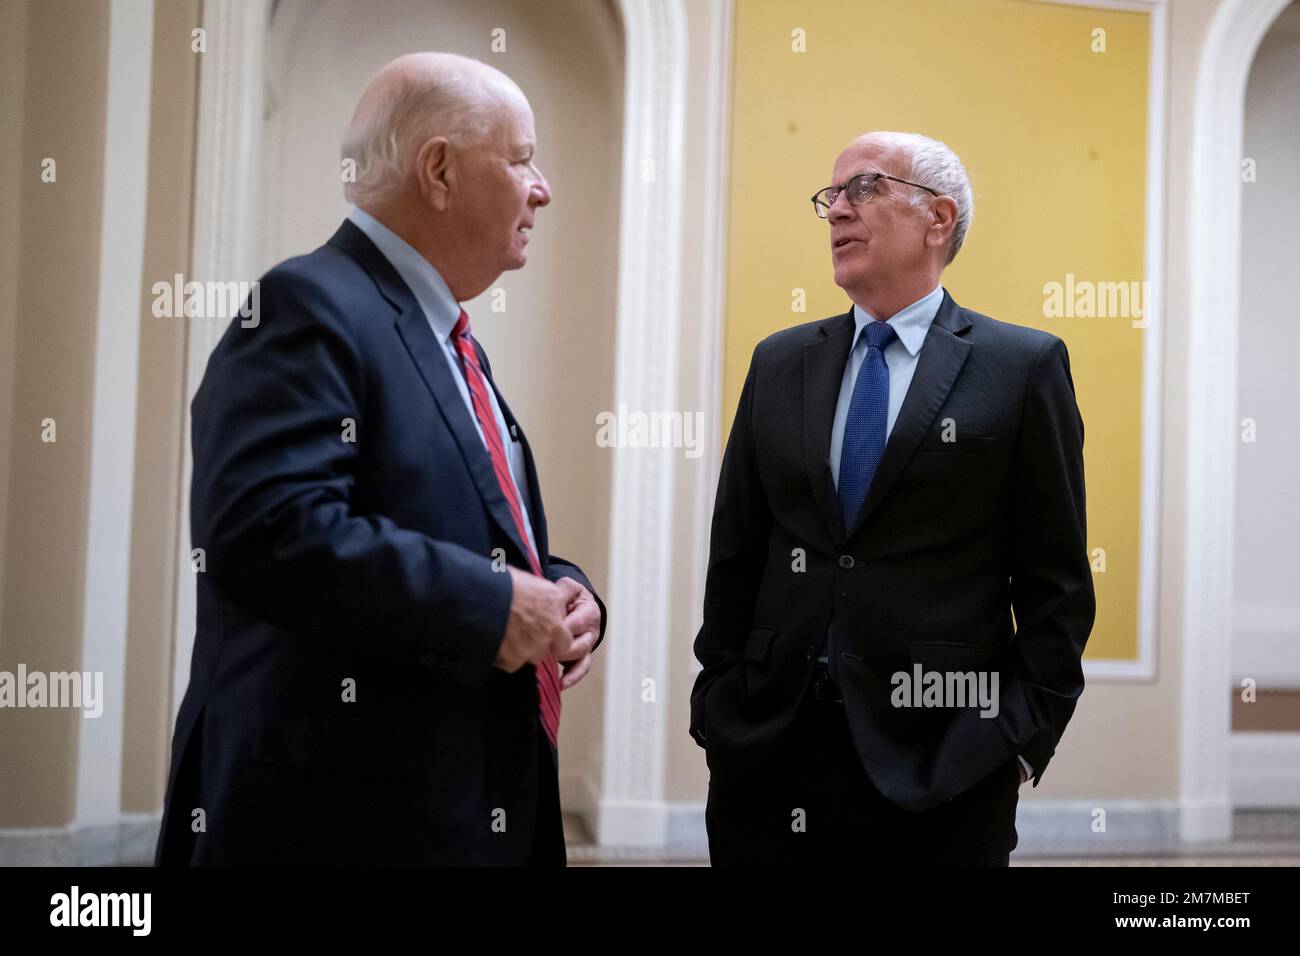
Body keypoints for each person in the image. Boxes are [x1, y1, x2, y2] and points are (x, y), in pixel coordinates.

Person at [156, 52, 604, 866]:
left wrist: (564, 591)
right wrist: (497, 605)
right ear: (439, 170)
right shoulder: (306, 306)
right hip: (337, 824)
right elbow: (271, 536)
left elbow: (453, 522)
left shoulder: (443, 337)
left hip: (452, 804)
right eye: (522, 158)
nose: (542, 188)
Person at [690, 131, 1095, 865]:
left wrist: (1018, 742)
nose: (837, 210)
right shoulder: (781, 362)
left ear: (938, 219)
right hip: (768, 756)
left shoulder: (1021, 367)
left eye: (864, 188)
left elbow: (1058, 586)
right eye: (830, 197)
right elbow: (737, 551)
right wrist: (716, 704)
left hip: (943, 763)